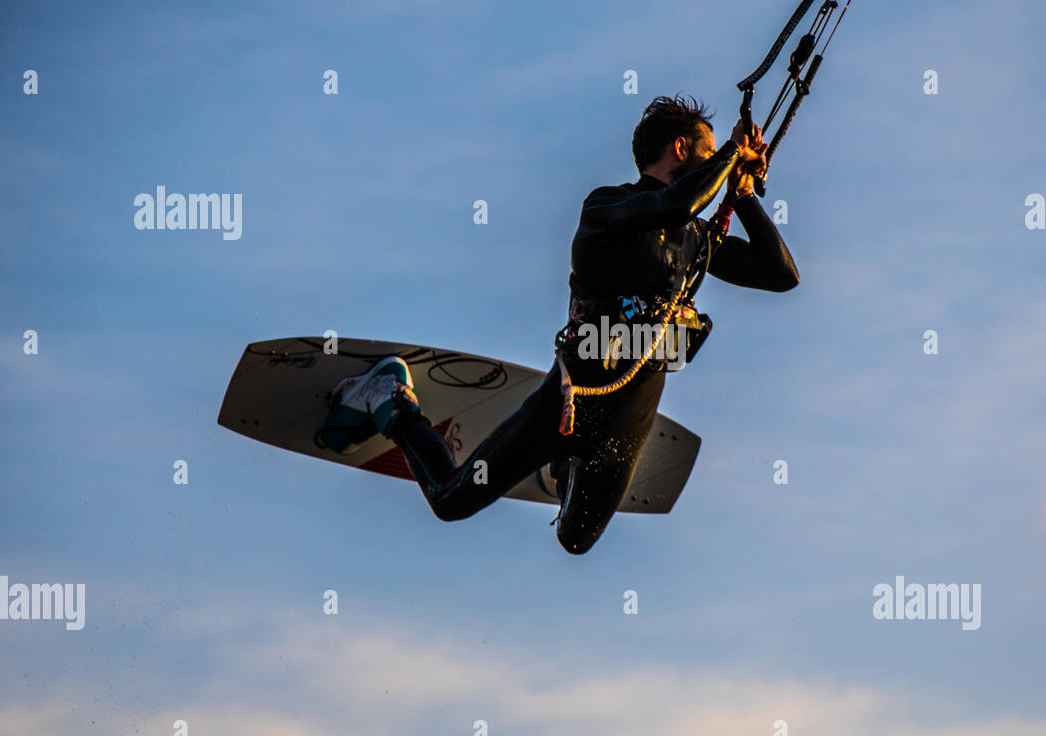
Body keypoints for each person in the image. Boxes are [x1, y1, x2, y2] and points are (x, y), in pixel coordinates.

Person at [325, 95, 799, 554]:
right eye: (710, 150)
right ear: (680, 148)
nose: (718, 158)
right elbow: (675, 204)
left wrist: (743, 193)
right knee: (451, 502)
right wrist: (735, 152)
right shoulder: (606, 209)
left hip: (624, 422)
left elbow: (781, 276)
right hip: (570, 403)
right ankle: (391, 401)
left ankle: (562, 468)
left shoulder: (697, 239)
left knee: (575, 541)